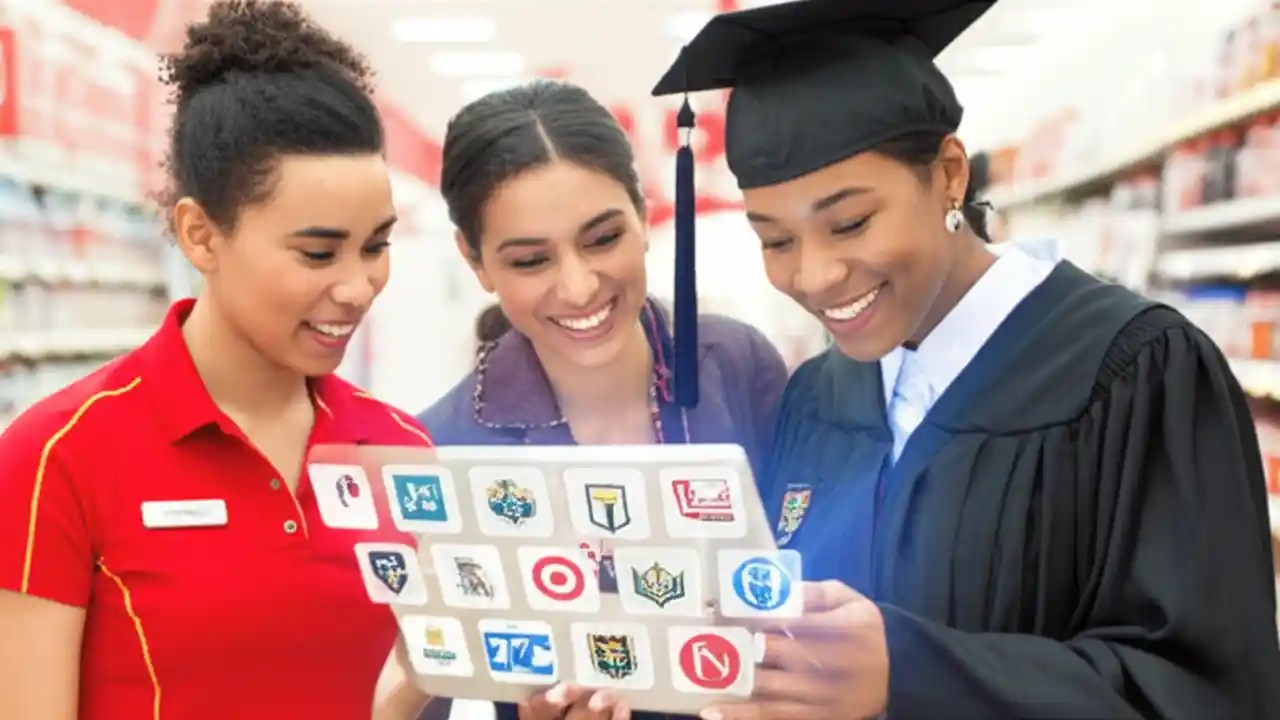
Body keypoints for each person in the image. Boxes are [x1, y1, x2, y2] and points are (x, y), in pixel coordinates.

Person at [632, 1, 1276, 718]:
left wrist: (907, 673)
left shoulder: (1133, 370)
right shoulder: (819, 394)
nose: (813, 276)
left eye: (850, 223)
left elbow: (1206, 693)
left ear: (948, 175)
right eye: (776, 241)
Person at [0, 2, 438, 718]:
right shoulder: (57, 458)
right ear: (201, 236)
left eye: (376, 245)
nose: (358, 287)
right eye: (318, 252)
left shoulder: (401, 452)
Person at [417, 79, 790, 720]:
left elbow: (813, 576)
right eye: (531, 260)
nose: (579, 285)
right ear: (476, 262)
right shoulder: (446, 449)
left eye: (602, 239)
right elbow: (441, 679)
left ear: (644, 212)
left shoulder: (736, 366)